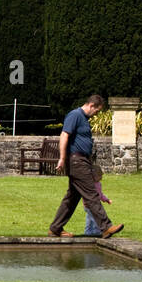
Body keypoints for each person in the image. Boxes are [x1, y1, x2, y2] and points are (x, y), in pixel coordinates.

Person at [49, 94, 123, 238]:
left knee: (72, 198)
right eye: (97, 110)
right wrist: (62, 158)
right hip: (76, 161)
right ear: (91, 105)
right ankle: (106, 226)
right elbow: (64, 135)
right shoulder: (75, 115)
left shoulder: (83, 118)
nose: (97, 114)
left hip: (81, 160)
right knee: (91, 194)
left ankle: (55, 228)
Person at [83, 164, 113, 236]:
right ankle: (98, 232)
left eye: (101, 176)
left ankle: (88, 233)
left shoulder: (99, 184)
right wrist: (86, 202)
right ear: (93, 176)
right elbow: (85, 194)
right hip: (89, 205)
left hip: (95, 205)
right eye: (99, 176)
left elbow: (100, 194)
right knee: (95, 219)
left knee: (89, 220)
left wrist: (107, 200)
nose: (101, 178)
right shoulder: (89, 184)